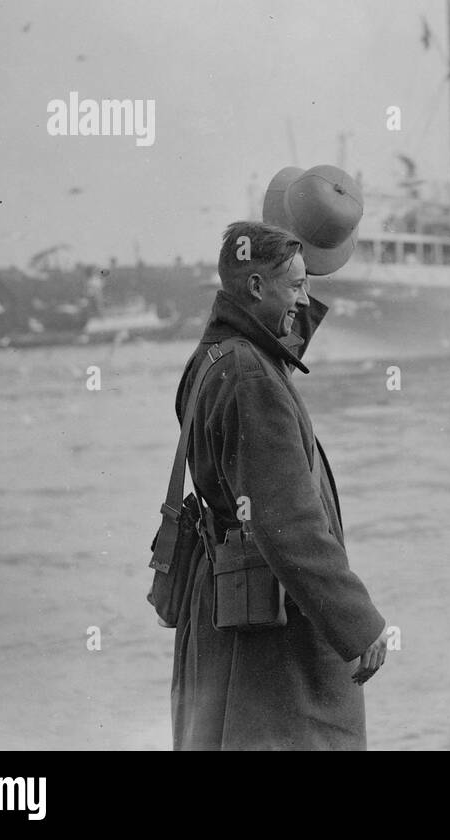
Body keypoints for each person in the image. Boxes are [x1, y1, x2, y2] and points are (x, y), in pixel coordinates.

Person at [171, 218, 387, 750]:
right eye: (296, 285)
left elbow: (279, 337)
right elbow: (287, 520)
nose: (305, 298)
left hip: (224, 608)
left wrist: (293, 250)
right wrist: (359, 625)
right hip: (270, 628)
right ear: (255, 288)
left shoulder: (214, 357)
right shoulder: (252, 378)